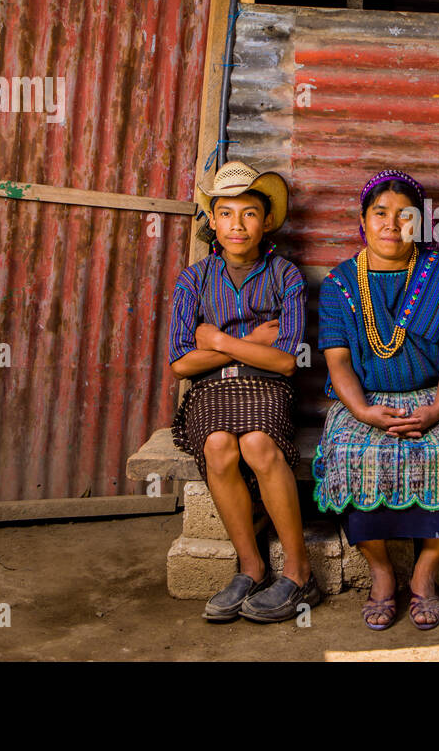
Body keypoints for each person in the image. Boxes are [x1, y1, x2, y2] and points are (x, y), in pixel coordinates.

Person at [313, 170, 439, 631]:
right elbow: (339, 363)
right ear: (363, 222)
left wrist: (437, 410)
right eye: (380, 214)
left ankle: (426, 575)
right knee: (351, 452)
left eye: (405, 216)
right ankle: (383, 573)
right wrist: (363, 411)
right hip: (363, 400)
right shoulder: (340, 285)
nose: (392, 224)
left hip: (434, 396)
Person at [167, 160, 320, 624]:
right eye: (227, 213)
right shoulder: (193, 279)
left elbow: (287, 361)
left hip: (268, 388)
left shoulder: (286, 276)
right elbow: (180, 364)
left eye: (249, 213)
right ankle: (252, 567)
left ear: (266, 220)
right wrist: (254, 342)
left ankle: (298, 572)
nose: (238, 224)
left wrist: (215, 340)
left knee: (257, 442)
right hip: (210, 391)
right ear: (213, 221)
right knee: (218, 445)